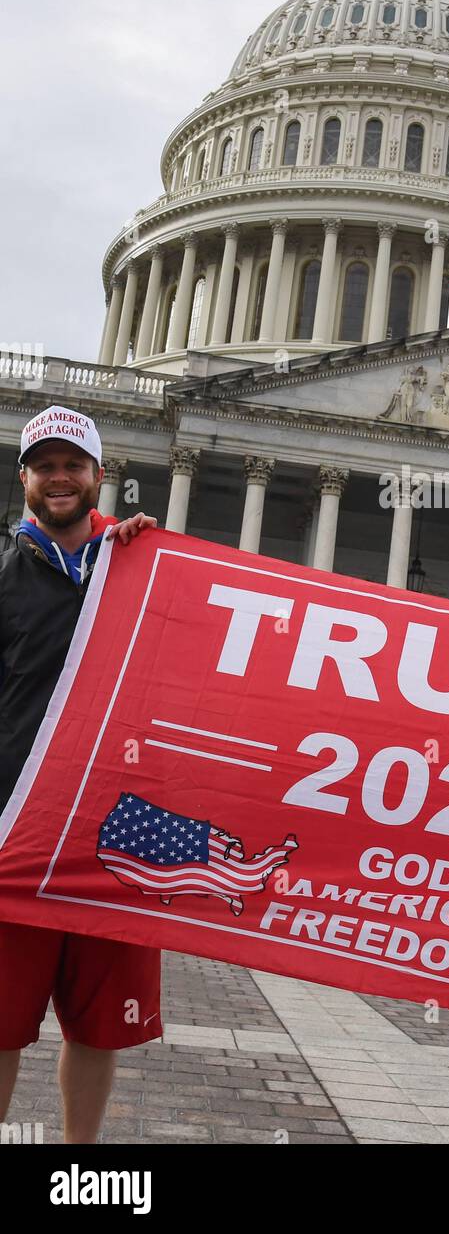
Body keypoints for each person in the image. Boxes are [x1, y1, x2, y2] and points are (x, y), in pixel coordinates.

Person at [0, 406, 159, 1143]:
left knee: (98, 1026)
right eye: (44, 466)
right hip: (15, 829)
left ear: (102, 475)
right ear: (24, 478)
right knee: (0, 1025)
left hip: (116, 832)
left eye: (73, 465)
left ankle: (80, 1166)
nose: (58, 478)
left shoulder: (143, 567)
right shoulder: (4, 573)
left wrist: (160, 561)